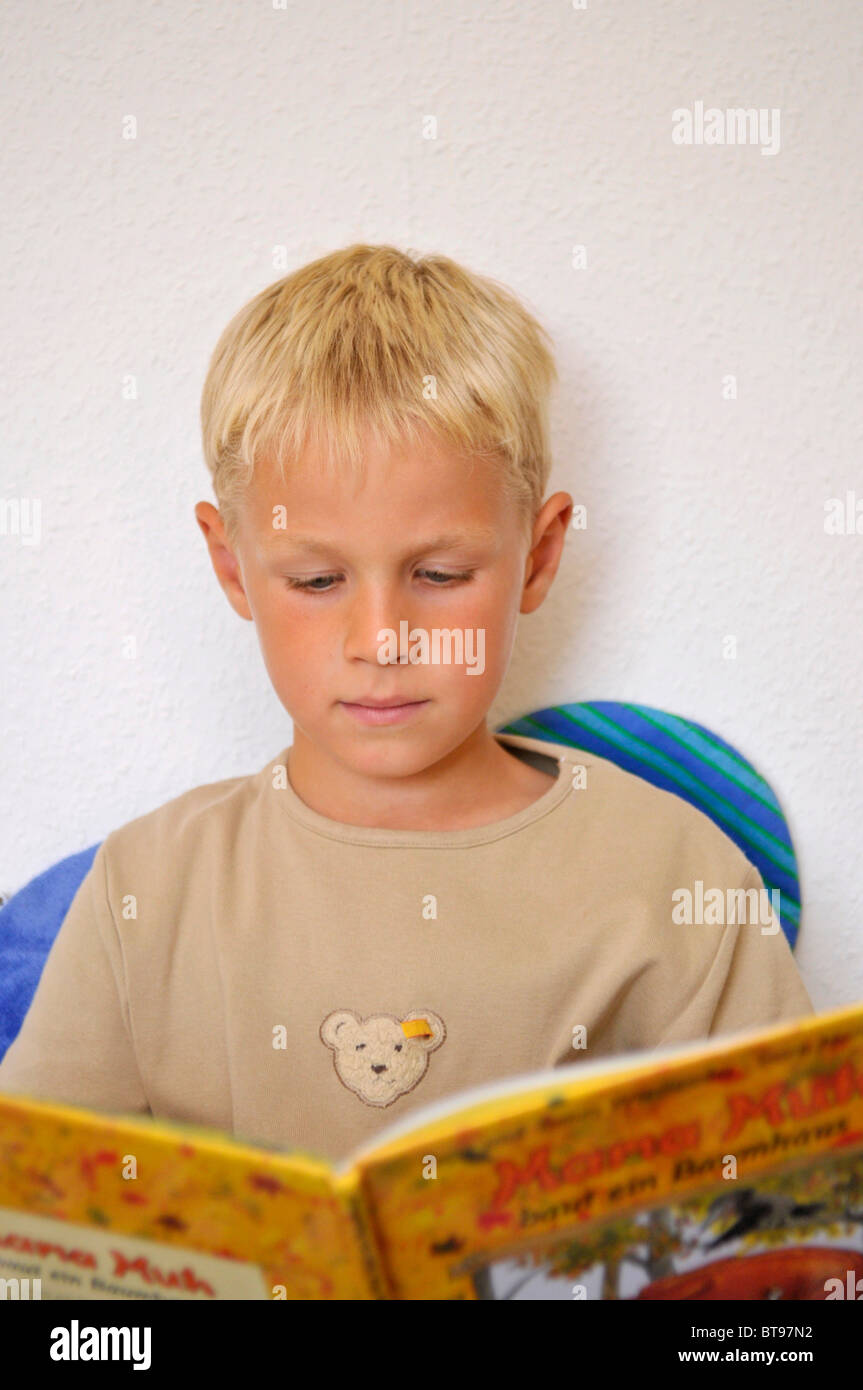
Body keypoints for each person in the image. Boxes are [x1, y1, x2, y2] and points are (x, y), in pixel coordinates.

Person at [0, 244, 814, 1163]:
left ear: (538, 557)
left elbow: (784, 1243)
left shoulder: (677, 879)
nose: (381, 639)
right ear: (231, 566)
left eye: (438, 573)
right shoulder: (144, 890)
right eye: (315, 579)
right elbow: (38, 1230)